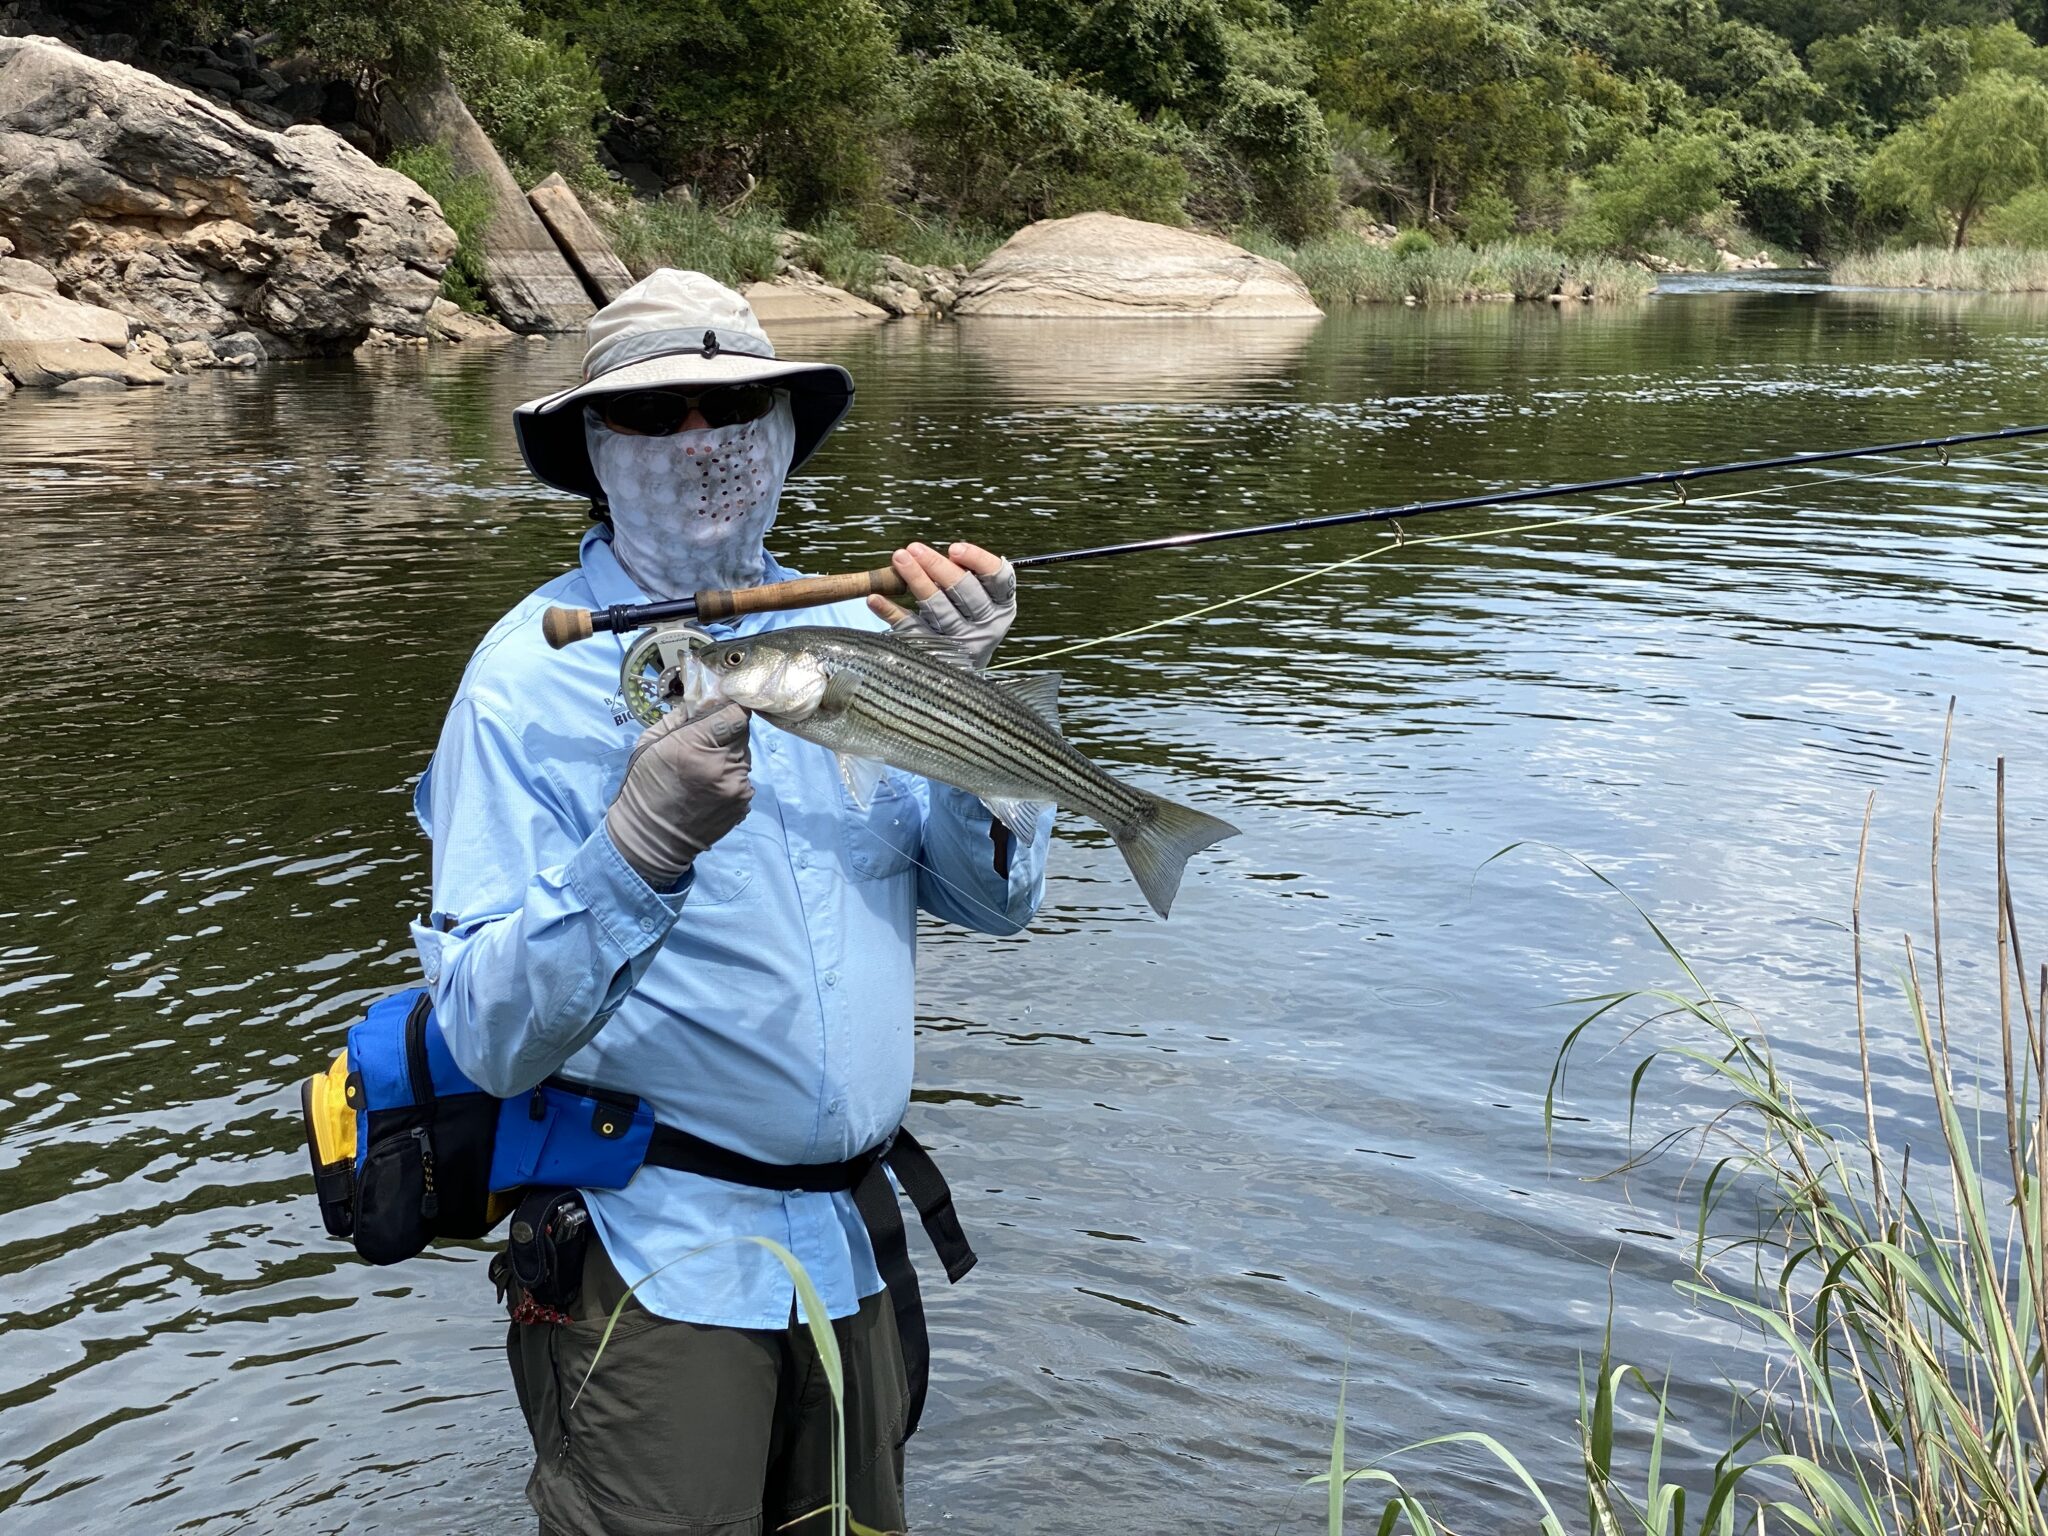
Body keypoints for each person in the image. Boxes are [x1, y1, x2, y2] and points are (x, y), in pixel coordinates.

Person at [409, 269, 1053, 1535]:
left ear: (783, 433)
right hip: (655, 1262)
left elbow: (994, 909)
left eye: (735, 404)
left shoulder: (853, 638)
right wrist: (637, 845)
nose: (700, 442)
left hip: (854, 1253)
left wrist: (969, 714)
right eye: (654, 418)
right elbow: (485, 1037)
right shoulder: (513, 688)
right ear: (593, 447)